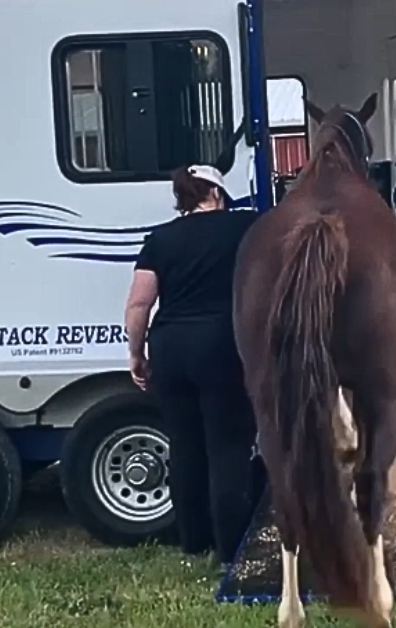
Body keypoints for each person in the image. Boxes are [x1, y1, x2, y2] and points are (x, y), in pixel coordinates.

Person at [123, 164, 263, 567]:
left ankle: (193, 541)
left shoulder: (160, 239)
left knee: (185, 446)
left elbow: (138, 304)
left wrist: (137, 354)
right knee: (228, 448)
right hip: (221, 346)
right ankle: (231, 549)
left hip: (169, 348)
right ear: (217, 194)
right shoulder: (243, 228)